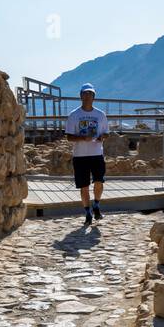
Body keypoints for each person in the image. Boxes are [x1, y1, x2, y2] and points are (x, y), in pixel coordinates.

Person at [65, 84, 109, 223]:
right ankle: (87, 213)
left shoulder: (100, 115)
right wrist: (83, 138)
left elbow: (106, 133)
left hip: (97, 154)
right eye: (85, 93)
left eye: (90, 94)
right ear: (80, 96)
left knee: (99, 182)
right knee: (84, 186)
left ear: (94, 97)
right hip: (80, 156)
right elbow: (69, 137)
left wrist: (103, 137)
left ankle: (96, 204)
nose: (88, 96)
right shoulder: (74, 115)